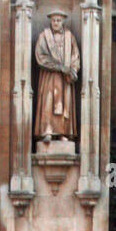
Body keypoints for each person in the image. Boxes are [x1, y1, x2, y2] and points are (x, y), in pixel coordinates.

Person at [34, 10, 80, 143]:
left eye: (58, 20)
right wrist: (59, 67)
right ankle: (47, 131)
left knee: (65, 103)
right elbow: (40, 56)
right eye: (54, 20)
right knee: (48, 102)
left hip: (65, 80)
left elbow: (75, 55)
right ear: (50, 21)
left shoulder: (69, 36)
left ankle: (63, 132)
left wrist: (73, 69)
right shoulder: (44, 36)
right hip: (49, 76)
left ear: (63, 22)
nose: (56, 23)